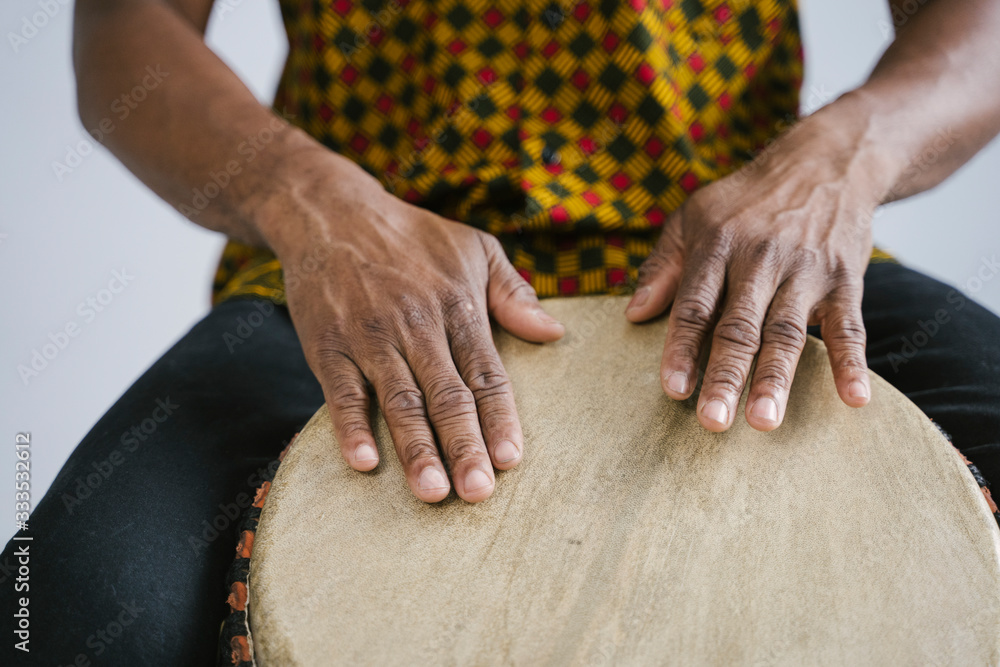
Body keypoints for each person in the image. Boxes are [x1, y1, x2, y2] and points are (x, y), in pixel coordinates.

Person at [4, 0, 1000, 663]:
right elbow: (125, 32)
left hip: (742, 252)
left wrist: (847, 153)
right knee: (56, 616)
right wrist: (307, 201)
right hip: (366, 262)